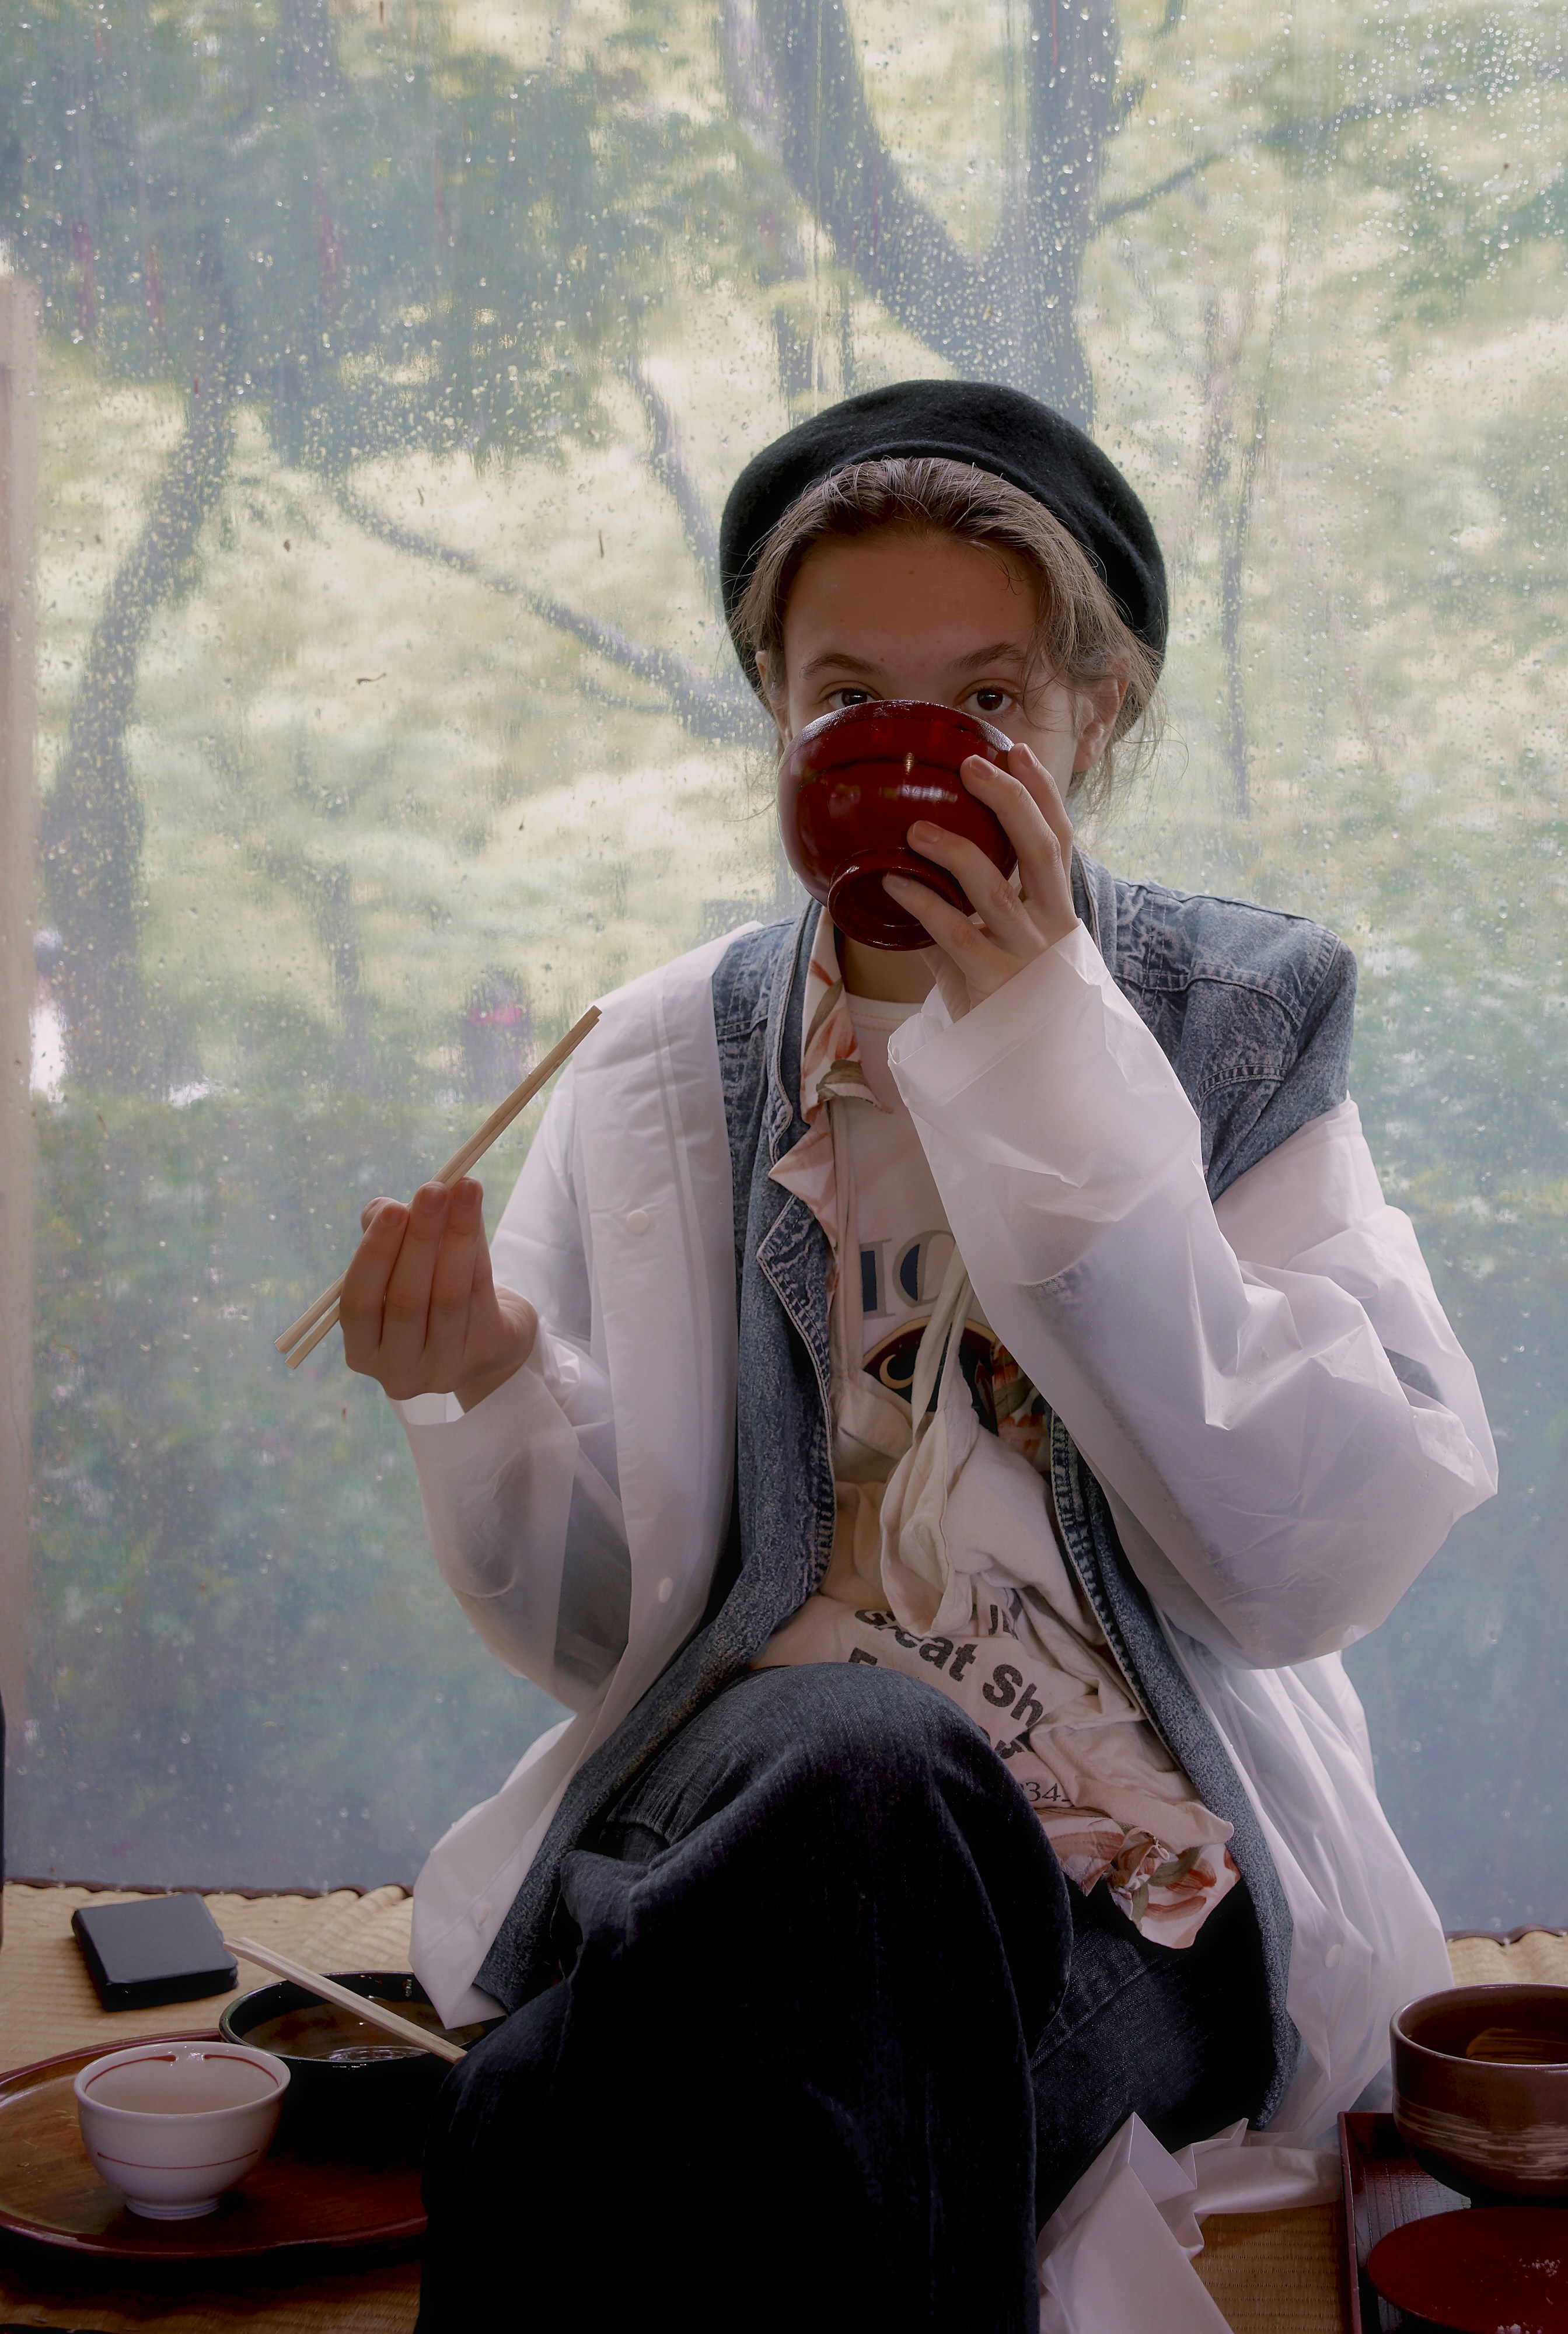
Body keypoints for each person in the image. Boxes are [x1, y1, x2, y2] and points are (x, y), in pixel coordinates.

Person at [337, 382, 1497, 2330]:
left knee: (649, 2133)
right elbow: (610, 1636)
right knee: (855, 1770)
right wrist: (483, 1393)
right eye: (845, 696)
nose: (912, 755)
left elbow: (1316, 1560)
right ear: (777, 718)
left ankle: (551, 2100)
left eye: (984, 707)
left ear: (1089, 718)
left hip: (1133, 1880)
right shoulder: (652, 1065)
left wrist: (1050, 1046)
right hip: (752, 1822)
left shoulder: (1233, 1016)